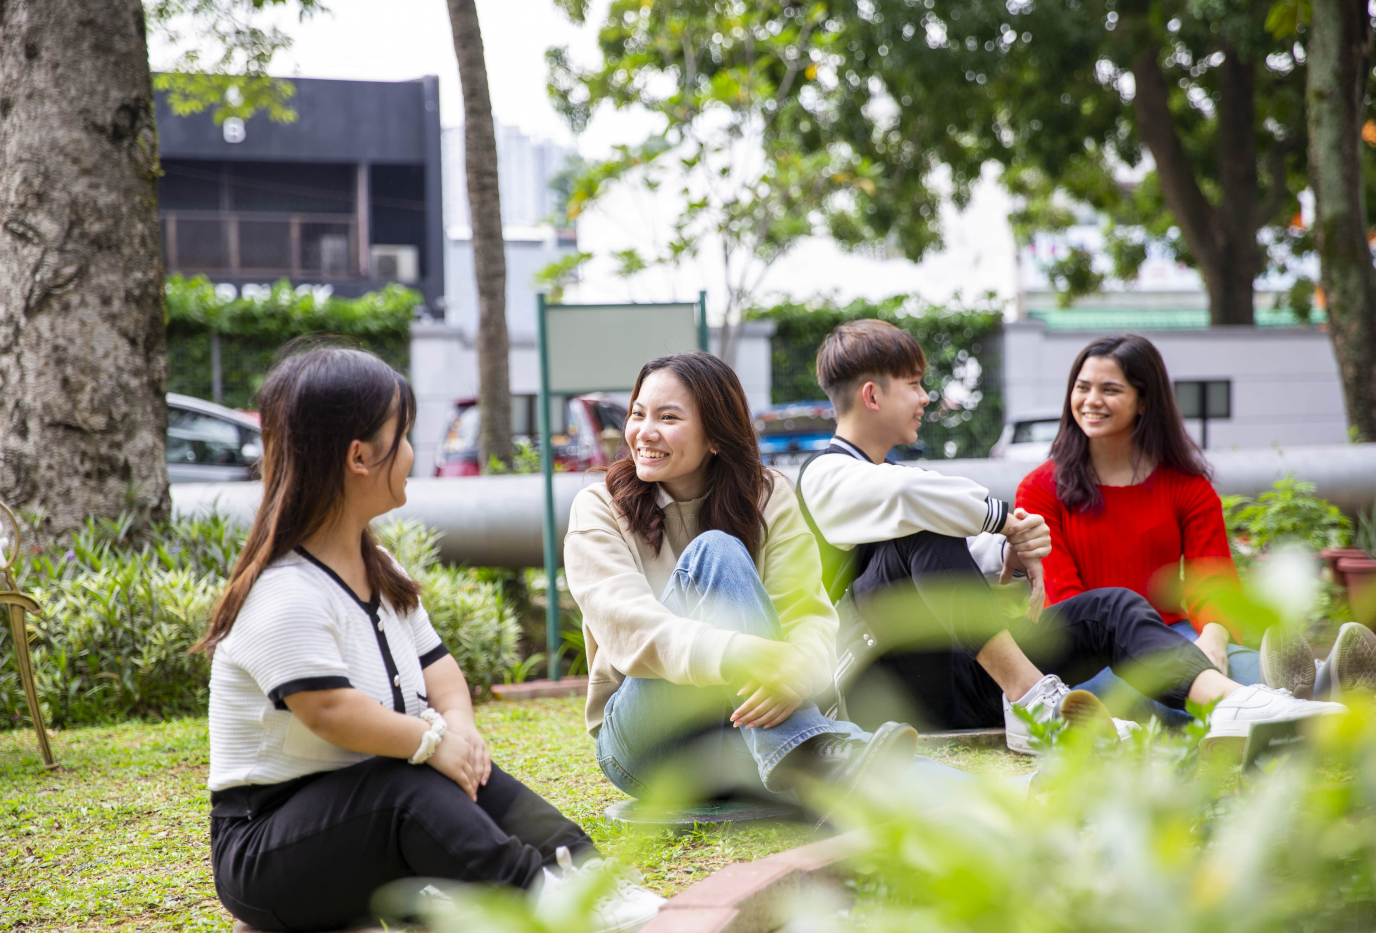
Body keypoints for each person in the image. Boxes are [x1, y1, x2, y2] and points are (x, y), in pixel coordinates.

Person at [200, 347, 663, 933]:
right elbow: (330, 711)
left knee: (464, 772)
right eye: (403, 436)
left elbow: (438, 668)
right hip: (266, 852)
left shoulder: (379, 568)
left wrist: (460, 734)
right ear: (360, 456)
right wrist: (431, 742)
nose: (412, 453)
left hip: (360, 815)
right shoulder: (284, 591)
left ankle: (589, 876)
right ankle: (540, 898)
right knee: (409, 783)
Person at [795, 319, 1348, 753]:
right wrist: (1003, 520)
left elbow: (955, 549)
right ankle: (1033, 701)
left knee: (1112, 608)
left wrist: (1008, 554)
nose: (925, 398)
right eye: (915, 385)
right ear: (873, 396)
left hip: (960, 679)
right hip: (879, 686)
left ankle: (1229, 705)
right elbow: (910, 498)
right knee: (922, 530)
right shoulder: (826, 475)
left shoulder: (1183, 483)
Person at [564, 352, 968, 814]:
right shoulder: (599, 507)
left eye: (668, 418)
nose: (644, 432)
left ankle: (1021, 794)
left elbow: (807, 614)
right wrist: (749, 654)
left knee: (861, 764)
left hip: (744, 729)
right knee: (717, 551)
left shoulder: (767, 494)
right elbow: (630, 627)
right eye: (638, 414)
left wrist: (798, 672)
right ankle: (801, 743)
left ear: (716, 435)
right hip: (648, 744)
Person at [1015, 333, 1376, 716]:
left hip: (1172, 633)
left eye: (1110, 389)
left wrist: (1213, 637)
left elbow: (1213, 582)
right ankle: (1299, 706)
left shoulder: (1186, 486)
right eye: (1082, 387)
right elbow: (1064, 599)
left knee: (1231, 664)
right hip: (1087, 653)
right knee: (1163, 686)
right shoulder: (1040, 489)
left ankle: (1318, 686)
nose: (1091, 400)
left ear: (1144, 401)